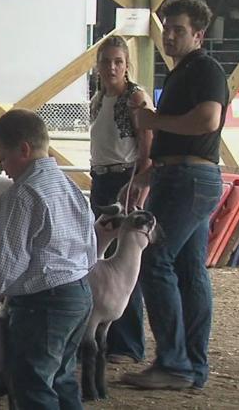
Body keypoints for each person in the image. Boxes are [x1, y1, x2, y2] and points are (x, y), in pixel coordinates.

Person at [0, 109, 95, 410]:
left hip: (43, 304)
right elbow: (89, 241)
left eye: (3, 158)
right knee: (61, 378)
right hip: (78, 294)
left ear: (23, 150)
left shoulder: (21, 194)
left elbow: (5, 264)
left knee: (32, 382)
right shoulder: (68, 185)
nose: (3, 167)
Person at [121, 0, 227, 391]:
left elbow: (206, 121)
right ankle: (190, 364)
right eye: (167, 28)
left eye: (178, 30)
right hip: (183, 175)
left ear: (198, 34)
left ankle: (176, 362)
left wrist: (154, 120)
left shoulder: (205, 70)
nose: (169, 35)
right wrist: (151, 171)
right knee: (188, 269)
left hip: (189, 178)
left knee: (154, 258)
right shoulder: (186, 71)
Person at [88, 35, 153, 364]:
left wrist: (141, 180)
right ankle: (100, 335)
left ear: (127, 65)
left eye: (118, 61)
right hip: (101, 178)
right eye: (106, 61)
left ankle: (127, 344)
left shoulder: (135, 97)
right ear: (98, 66)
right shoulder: (98, 99)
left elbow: (147, 143)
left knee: (124, 262)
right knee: (98, 258)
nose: (111, 67)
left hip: (124, 179)